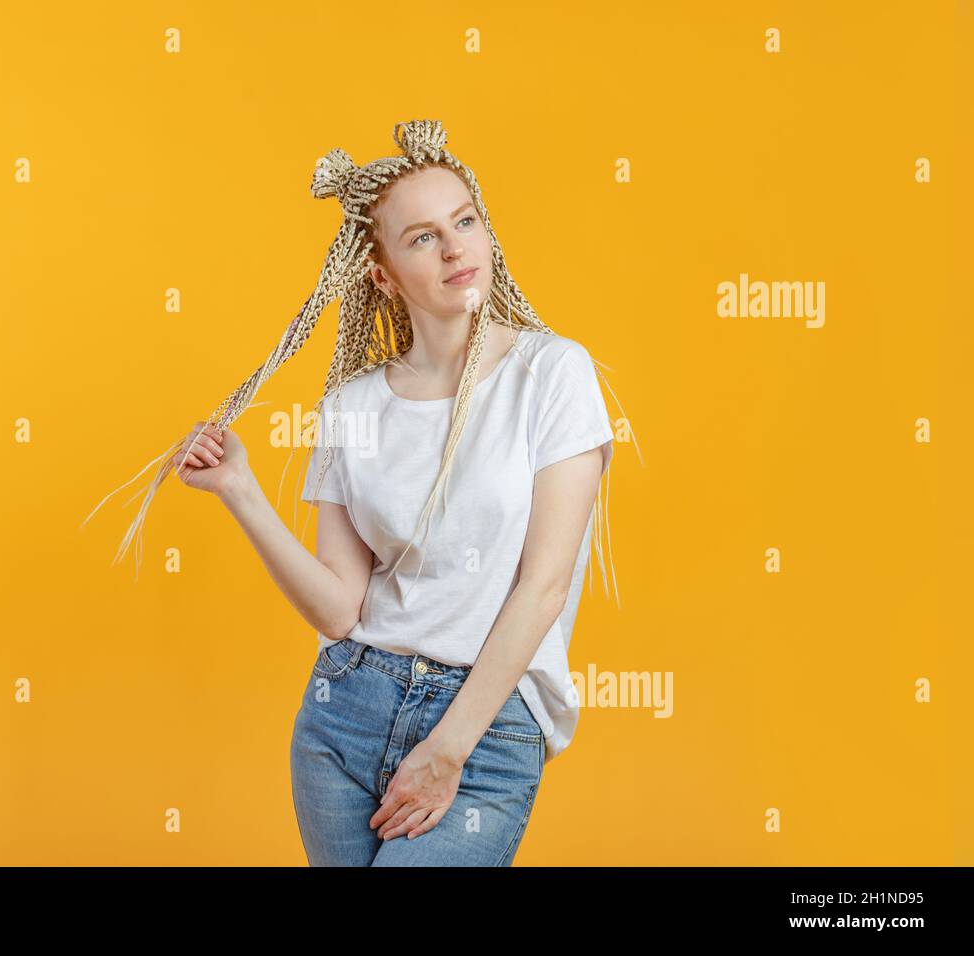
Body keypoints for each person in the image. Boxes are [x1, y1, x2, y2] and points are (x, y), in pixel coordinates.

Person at [84, 120, 637, 865]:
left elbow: (542, 589)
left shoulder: (552, 375)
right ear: (381, 275)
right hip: (344, 713)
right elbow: (340, 607)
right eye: (422, 238)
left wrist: (446, 752)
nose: (455, 248)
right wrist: (240, 489)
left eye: (466, 221)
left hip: (485, 725)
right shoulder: (352, 407)